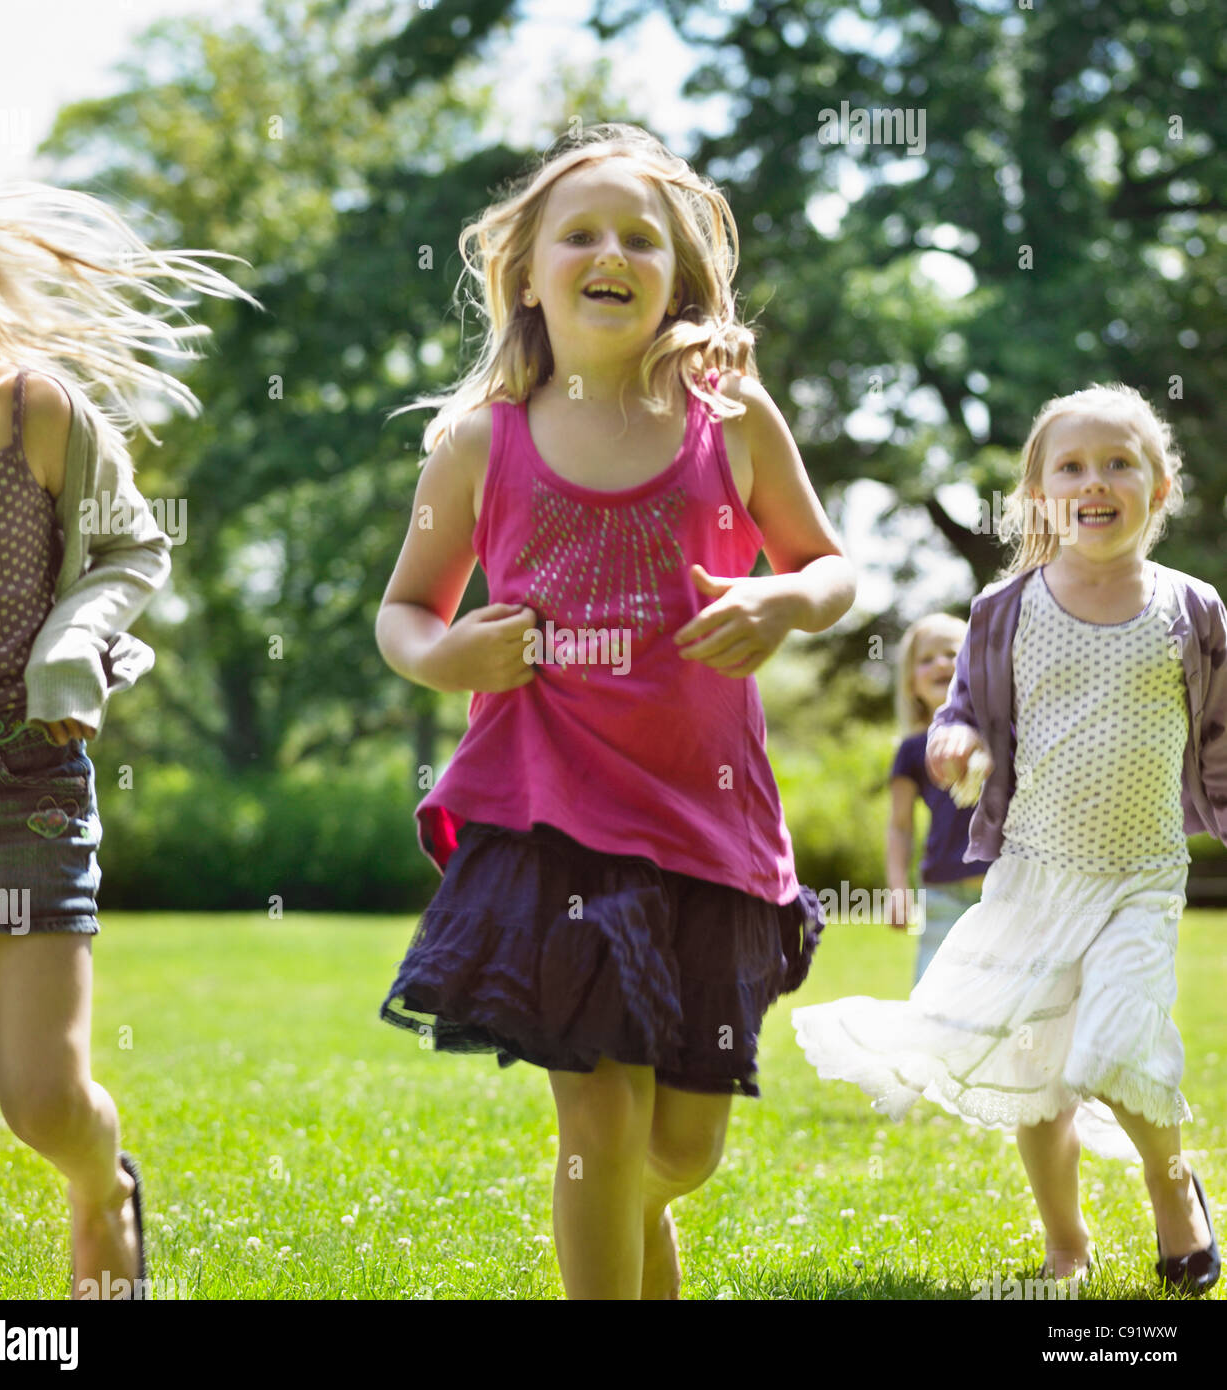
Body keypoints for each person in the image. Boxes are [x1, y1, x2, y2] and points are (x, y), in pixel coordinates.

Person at [376, 123, 854, 1299]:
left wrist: (782, 598)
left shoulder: (730, 421)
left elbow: (834, 567)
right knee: (598, 1135)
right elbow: (402, 612)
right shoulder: (480, 444)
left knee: (674, 1155)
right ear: (527, 275)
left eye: (641, 238)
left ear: (678, 279)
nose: (611, 252)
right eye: (579, 234)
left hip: (710, 828)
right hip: (549, 827)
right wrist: (451, 660)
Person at [792, 384, 1223, 1294]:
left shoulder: (1191, 612)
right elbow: (968, 711)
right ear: (1037, 495)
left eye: (1119, 462)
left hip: (1140, 876)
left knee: (1112, 1043)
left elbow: (1220, 732)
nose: (1094, 480)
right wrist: (957, 737)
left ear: (1161, 484)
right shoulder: (1005, 609)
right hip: (1033, 875)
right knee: (1035, 1066)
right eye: (1070, 466)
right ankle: (1067, 1243)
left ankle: (1170, 1181)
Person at [0, 171, 257, 1298]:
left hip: (18, 775)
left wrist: (73, 639)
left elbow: (129, 549)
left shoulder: (36, 411)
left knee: (41, 1100)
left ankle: (100, 1183)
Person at [884, 614, 992, 983]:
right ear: (912, 682)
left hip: (1005, 888)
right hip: (942, 894)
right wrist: (898, 888)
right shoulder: (913, 749)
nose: (941, 663)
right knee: (933, 997)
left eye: (952, 653)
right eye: (926, 659)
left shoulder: (999, 732)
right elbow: (899, 826)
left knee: (1003, 1001)